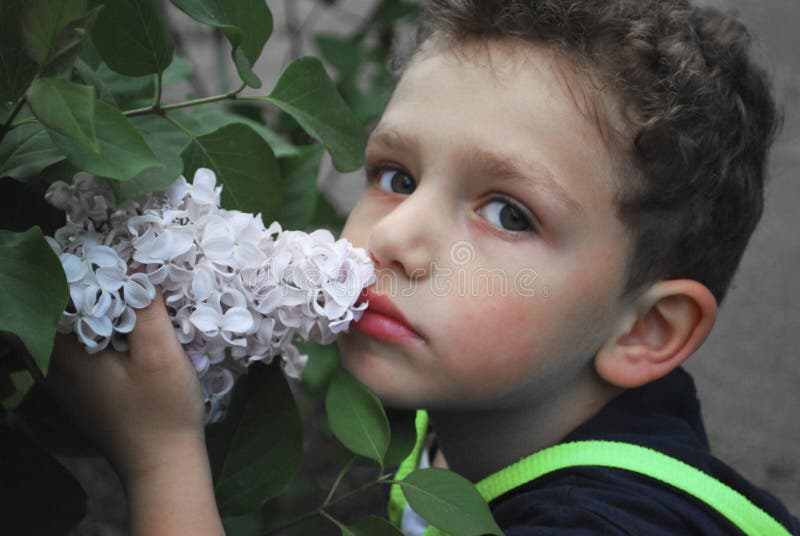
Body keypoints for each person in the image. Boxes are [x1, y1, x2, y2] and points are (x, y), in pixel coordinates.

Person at [46, 0, 799, 534]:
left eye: (508, 213)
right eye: (396, 175)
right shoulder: (480, 418)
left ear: (646, 330)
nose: (396, 236)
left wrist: (161, 460)